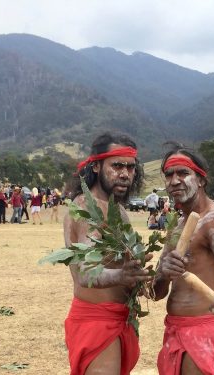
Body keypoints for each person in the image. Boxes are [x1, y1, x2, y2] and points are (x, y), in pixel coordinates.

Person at [154, 144, 214, 375]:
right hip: (175, 328)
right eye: (169, 175)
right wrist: (163, 273)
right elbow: (156, 292)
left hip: (203, 330)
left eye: (183, 173)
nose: (174, 180)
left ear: (201, 180)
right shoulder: (177, 223)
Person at [62, 133, 149, 375]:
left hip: (119, 320)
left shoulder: (116, 209)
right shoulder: (86, 208)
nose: (125, 173)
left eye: (130, 167)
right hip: (97, 323)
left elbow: (122, 264)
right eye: (117, 165)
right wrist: (123, 276)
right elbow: (84, 273)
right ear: (97, 166)